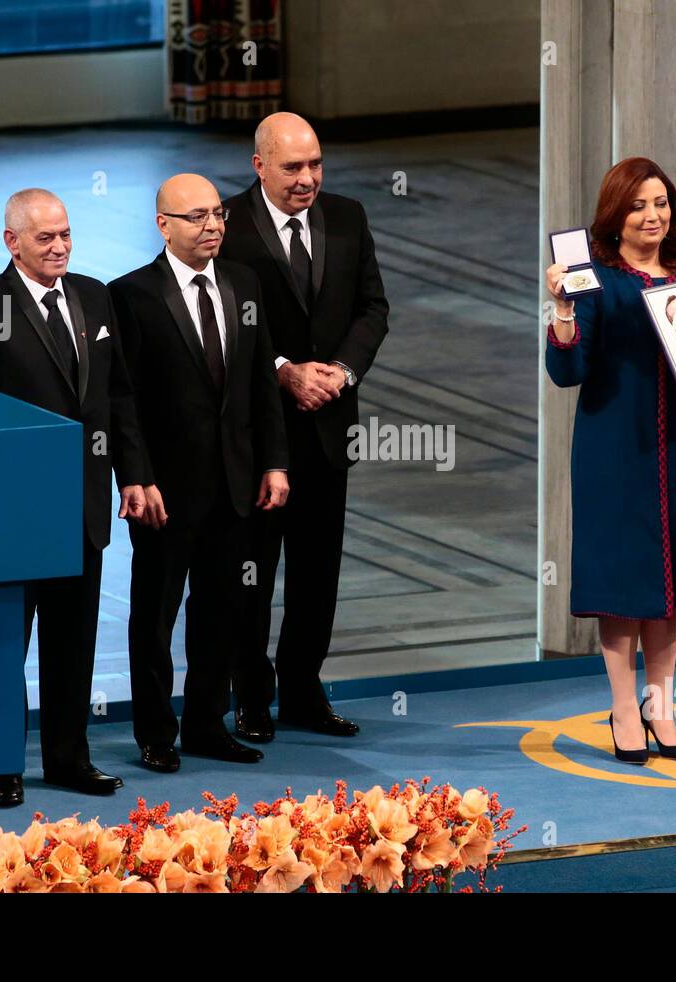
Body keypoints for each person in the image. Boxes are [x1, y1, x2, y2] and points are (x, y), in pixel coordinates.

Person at [544, 157, 676, 766]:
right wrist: (561, 308)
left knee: (668, 585)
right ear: (615, 214)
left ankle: (660, 707)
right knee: (624, 587)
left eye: (661, 203)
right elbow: (567, 371)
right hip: (615, 450)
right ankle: (622, 708)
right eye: (639, 205)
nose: (652, 216)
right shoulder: (593, 276)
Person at [0, 188, 164, 806]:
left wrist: (134, 476)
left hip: (84, 505)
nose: (60, 247)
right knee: (5, 646)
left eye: (66, 234)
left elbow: (119, 397)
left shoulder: (96, 297)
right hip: (14, 514)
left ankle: (69, 759)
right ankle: (0, 764)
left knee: (73, 640)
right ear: (12, 241)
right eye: (45, 238)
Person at [109, 174, 289, 772]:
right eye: (196, 217)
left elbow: (261, 380)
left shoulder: (244, 282)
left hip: (237, 487)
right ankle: (156, 733)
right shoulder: (130, 295)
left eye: (217, 214)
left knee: (223, 613)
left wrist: (274, 462)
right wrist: (136, 474)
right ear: (164, 224)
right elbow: (123, 398)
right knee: (155, 617)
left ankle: (207, 724)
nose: (212, 226)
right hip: (165, 492)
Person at [220, 112, 389, 742]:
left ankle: (302, 692)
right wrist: (283, 369)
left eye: (315, 164)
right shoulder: (226, 228)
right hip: (259, 440)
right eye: (293, 167)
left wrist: (340, 372)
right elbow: (222, 329)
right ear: (259, 165)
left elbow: (373, 307)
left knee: (318, 575)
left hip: (328, 428)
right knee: (252, 574)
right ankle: (251, 696)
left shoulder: (348, 217)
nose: (307, 178)